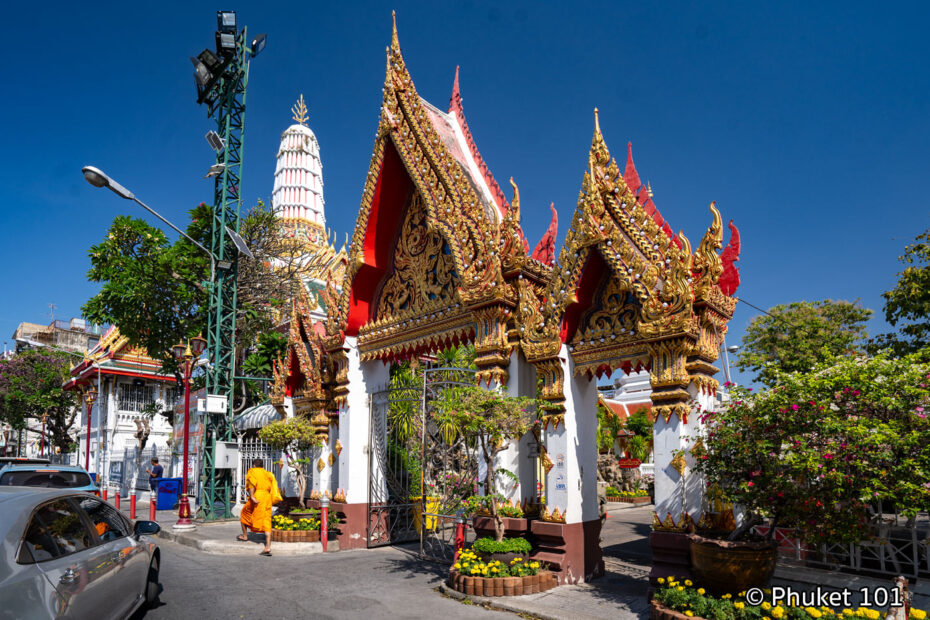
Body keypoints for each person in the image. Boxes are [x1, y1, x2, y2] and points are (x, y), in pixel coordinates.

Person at [238, 458, 282, 556]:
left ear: (254, 465)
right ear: (262, 466)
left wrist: (252, 496)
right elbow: (274, 486)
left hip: (258, 496)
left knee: (244, 513)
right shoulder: (268, 473)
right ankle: (268, 546)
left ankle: (245, 536)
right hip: (267, 497)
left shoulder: (252, 471)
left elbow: (252, 484)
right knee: (267, 519)